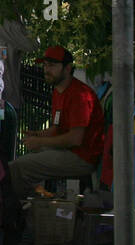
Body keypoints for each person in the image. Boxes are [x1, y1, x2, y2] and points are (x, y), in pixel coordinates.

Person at [8, 46, 105, 199]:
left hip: (82, 158)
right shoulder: (58, 90)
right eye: (45, 65)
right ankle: (39, 200)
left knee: (17, 167)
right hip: (69, 151)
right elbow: (56, 128)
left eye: (52, 65)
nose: (46, 70)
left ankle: (22, 208)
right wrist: (37, 135)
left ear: (68, 68)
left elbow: (75, 139)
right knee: (19, 163)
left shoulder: (79, 95)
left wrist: (40, 142)